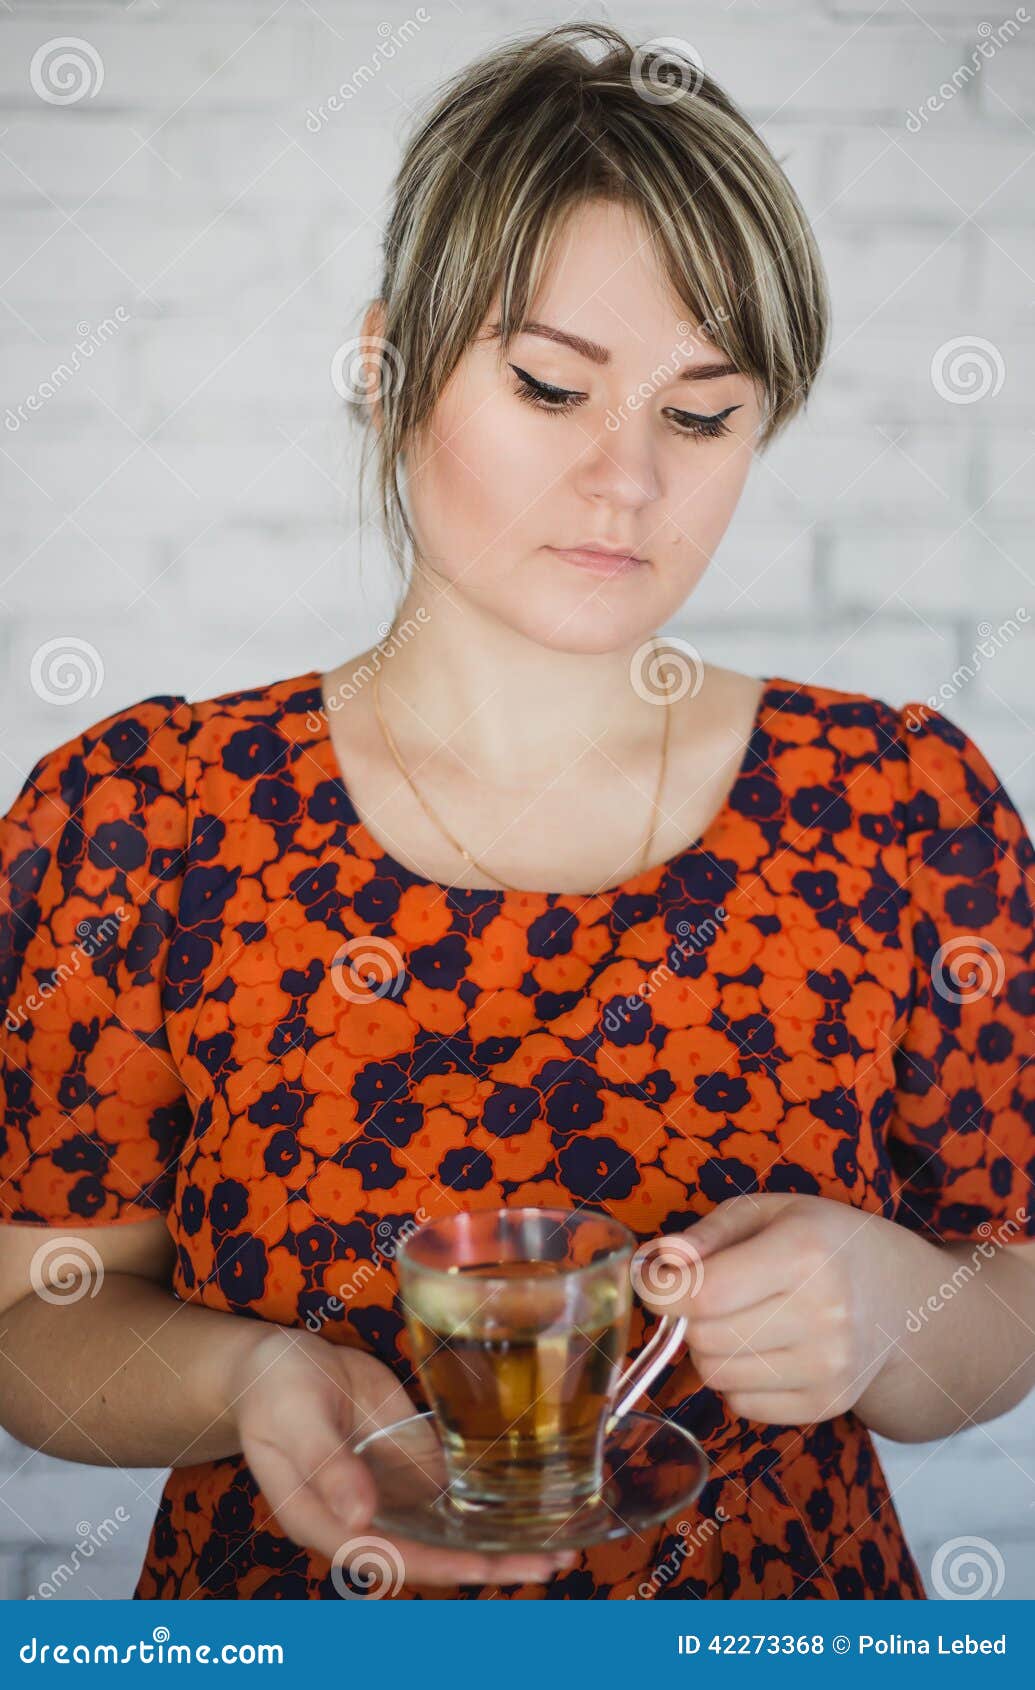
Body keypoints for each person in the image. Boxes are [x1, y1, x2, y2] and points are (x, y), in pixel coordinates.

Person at [1, 22, 1033, 1603]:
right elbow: (37, 1321)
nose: (625, 480)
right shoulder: (147, 817)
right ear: (391, 360)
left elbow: (1007, 1301)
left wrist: (895, 1302)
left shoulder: (908, 811)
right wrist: (242, 1381)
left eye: (702, 415)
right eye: (552, 387)